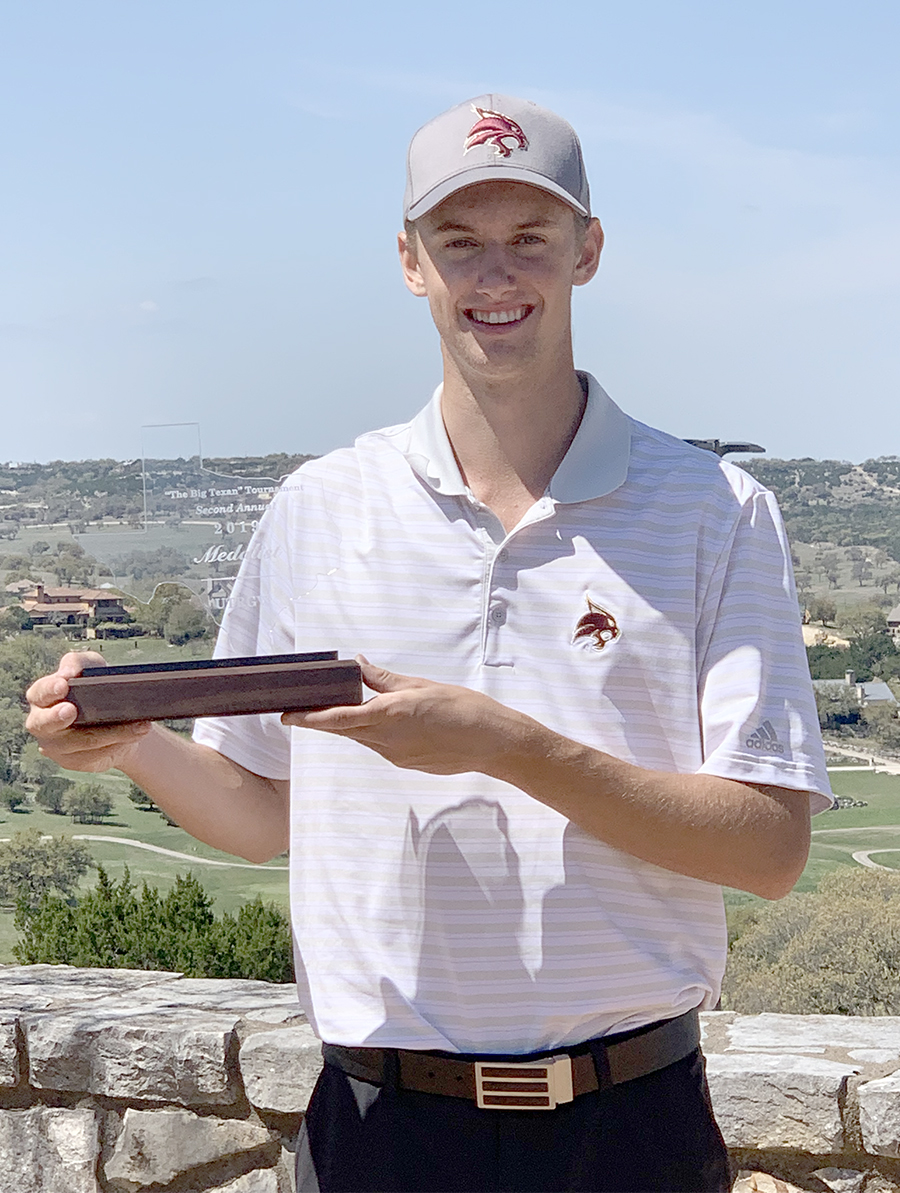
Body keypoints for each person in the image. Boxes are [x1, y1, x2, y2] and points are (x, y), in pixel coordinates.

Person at [26, 94, 832, 1193]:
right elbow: (264, 813)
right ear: (410, 262)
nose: (494, 277)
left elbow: (767, 848)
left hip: (630, 1126)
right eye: (459, 243)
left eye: (528, 240)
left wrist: (504, 745)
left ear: (586, 251)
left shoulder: (716, 512)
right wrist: (127, 744)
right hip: (373, 1129)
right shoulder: (319, 509)